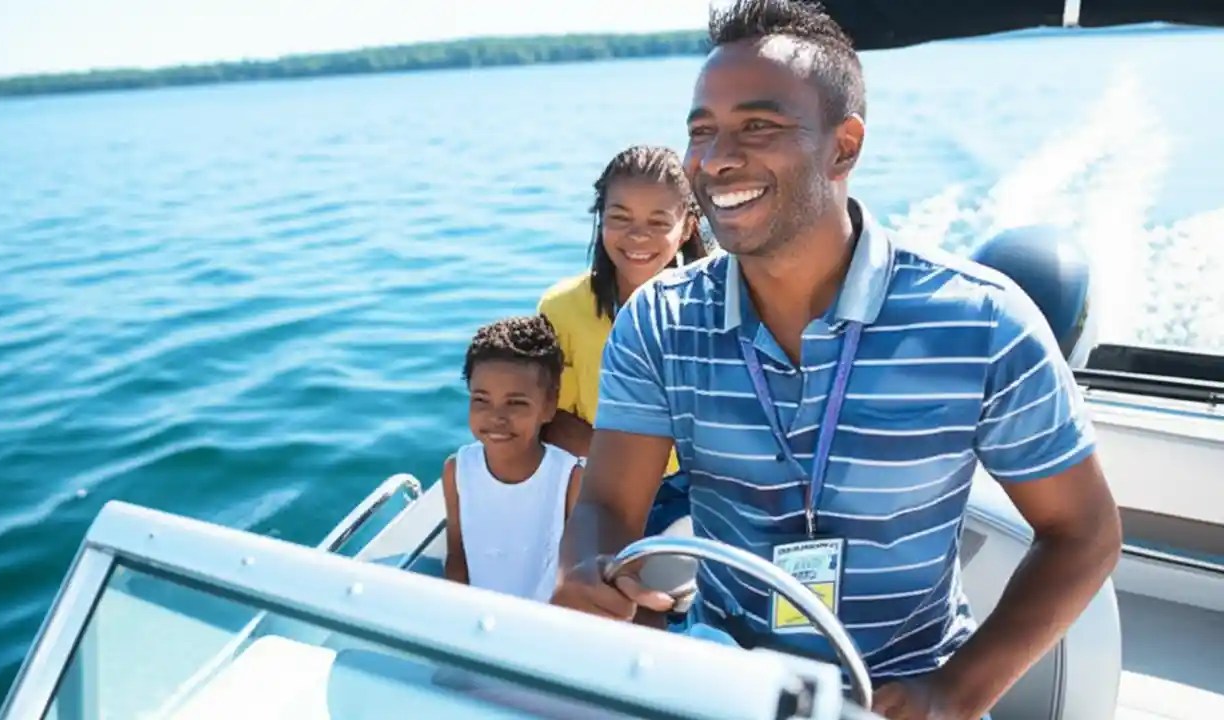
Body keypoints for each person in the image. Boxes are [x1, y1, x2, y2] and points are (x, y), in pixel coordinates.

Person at [550, 2, 1123, 719]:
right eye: (702, 131)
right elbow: (608, 504)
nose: (716, 158)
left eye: (757, 126)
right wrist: (584, 568)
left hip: (907, 688)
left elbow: (1086, 533)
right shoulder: (659, 321)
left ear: (843, 146)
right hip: (724, 679)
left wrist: (956, 692)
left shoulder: (983, 320)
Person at [536, 145, 710, 536]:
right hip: (594, 491)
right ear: (600, 220)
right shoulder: (560, 307)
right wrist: (627, 471)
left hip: (699, 499)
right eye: (620, 217)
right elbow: (550, 418)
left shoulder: (716, 310)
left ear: (687, 228)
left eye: (658, 222)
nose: (637, 236)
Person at [442, 315, 583, 603]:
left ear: (549, 406)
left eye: (516, 403)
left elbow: (574, 572)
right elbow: (457, 556)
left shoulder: (569, 479)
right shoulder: (458, 470)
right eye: (481, 400)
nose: (497, 417)